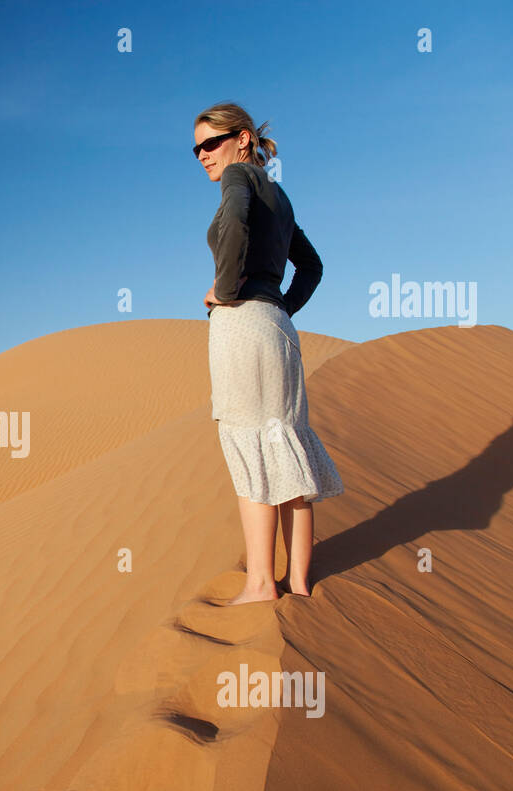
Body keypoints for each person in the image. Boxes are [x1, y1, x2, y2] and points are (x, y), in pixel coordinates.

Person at [195, 102, 344, 604]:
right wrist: (280, 308)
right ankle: (298, 581)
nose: (202, 155)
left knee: (252, 448)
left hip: (243, 327)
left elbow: (235, 222)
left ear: (240, 140)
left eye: (209, 143)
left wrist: (225, 290)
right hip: (278, 330)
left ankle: (261, 583)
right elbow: (313, 267)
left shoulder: (238, 178)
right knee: (287, 445)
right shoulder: (279, 197)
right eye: (196, 148)